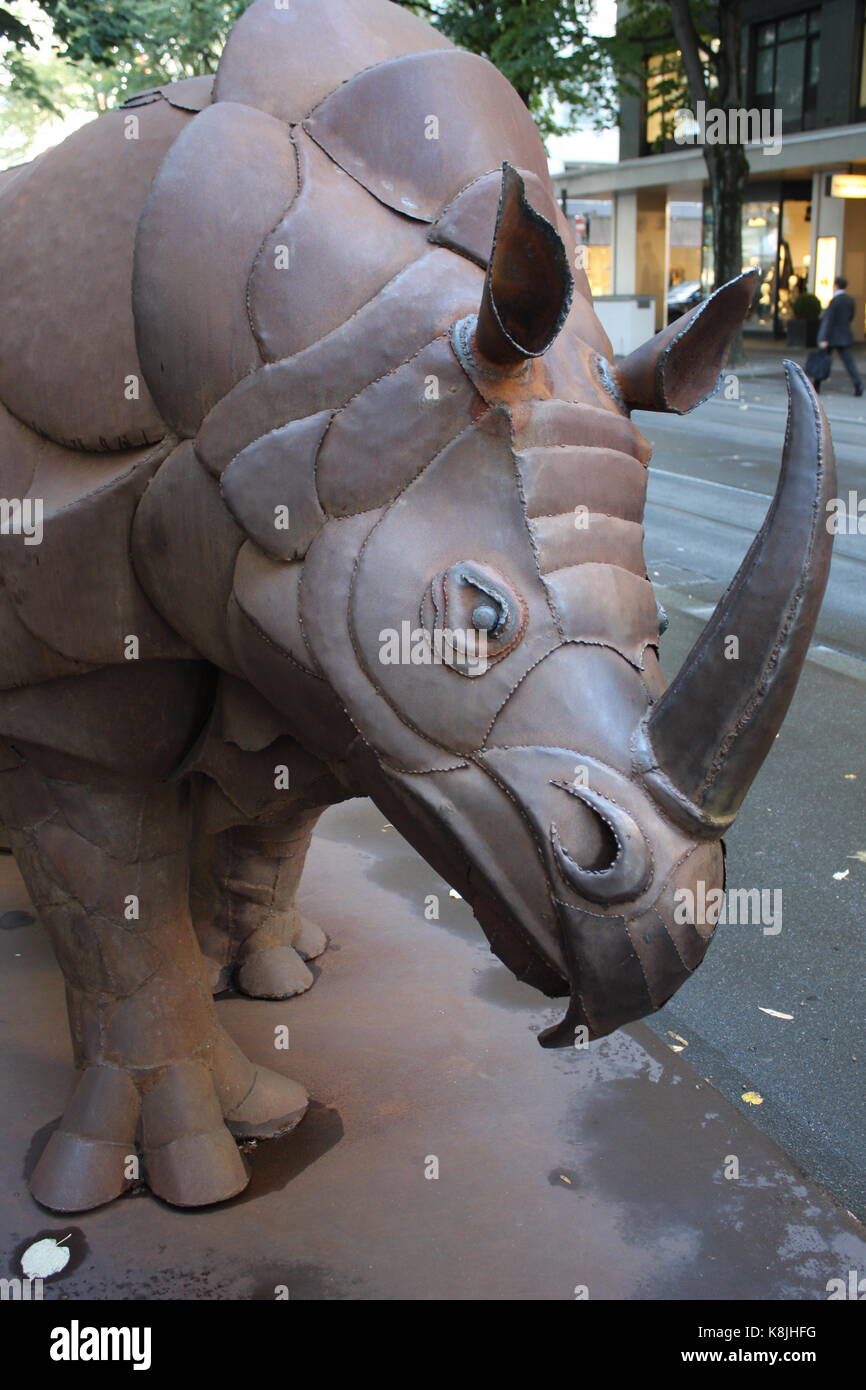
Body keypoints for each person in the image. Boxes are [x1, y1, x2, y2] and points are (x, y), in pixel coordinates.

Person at [816, 276, 863, 396]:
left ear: (836, 285)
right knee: (849, 363)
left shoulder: (834, 301)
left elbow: (828, 321)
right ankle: (858, 384)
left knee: (823, 360)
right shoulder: (849, 300)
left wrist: (823, 338)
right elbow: (851, 316)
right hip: (844, 334)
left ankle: (816, 385)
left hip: (831, 336)